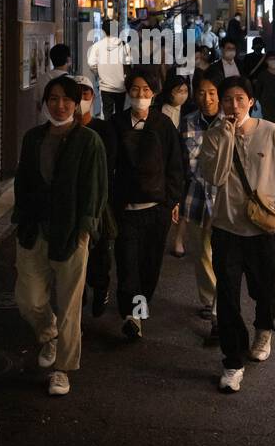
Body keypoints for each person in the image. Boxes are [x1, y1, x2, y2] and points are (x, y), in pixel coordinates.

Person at [199, 77, 275, 393]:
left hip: (262, 231)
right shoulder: (214, 135)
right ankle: (233, 362)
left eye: (239, 99)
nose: (233, 106)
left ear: (250, 101)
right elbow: (214, 178)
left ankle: (264, 327)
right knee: (229, 298)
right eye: (227, 99)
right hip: (225, 230)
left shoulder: (271, 132)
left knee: (265, 289)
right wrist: (225, 138)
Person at [11, 76, 109, 396]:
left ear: (77, 102)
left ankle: (63, 369)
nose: (60, 104)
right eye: (53, 98)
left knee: (70, 306)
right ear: (45, 103)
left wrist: (86, 228)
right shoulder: (33, 138)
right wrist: (20, 218)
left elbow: (95, 189)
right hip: (34, 229)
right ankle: (48, 334)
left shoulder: (89, 140)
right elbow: (22, 182)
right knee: (29, 299)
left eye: (67, 98)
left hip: (71, 232)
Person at [112, 68, 186, 339]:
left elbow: (175, 165)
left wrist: (172, 200)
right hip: (126, 210)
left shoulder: (163, 125)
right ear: (128, 92)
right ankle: (131, 316)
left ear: (154, 93)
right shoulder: (117, 123)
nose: (140, 95)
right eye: (135, 90)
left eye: (146, 90)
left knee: (150, 265)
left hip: (156, 210)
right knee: (127, 263)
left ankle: (140, 310)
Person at [179, 76, 223, 332]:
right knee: (202, 251)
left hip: (224, 197)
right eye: (202, 93)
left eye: (212, 93)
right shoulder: (188, 122)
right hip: (196, 196)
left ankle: (221, 301)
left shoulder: (229, 122)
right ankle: (209, 299)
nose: (207, 99)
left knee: (222, 252)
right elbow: (184, 164)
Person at [74, 76, 118, 317]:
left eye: (86, 94)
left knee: (99, 253)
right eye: (76, 94)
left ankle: (101, 289)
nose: (81, 100)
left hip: (99, 203)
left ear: (93, 97)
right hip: (72, 205)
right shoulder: (63, 130)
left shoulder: (103, 130)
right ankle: (77, 299)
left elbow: (109, 166)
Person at [87, 30, 128, 119]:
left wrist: (99, 73)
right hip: (121, 86)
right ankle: (118, 132)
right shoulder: (124, 45)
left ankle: (108, 131)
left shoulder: (97, 45)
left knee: (107, 114)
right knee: (120, 114)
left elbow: (91, 63)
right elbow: (129, 63)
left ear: (104, 31)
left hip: (105, 86)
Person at [253, 49, 275, 126]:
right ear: (266, 61)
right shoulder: (262, 75)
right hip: (267, 105)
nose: (273, 61)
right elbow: (258, 90)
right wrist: (255, 101)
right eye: (270, 59)